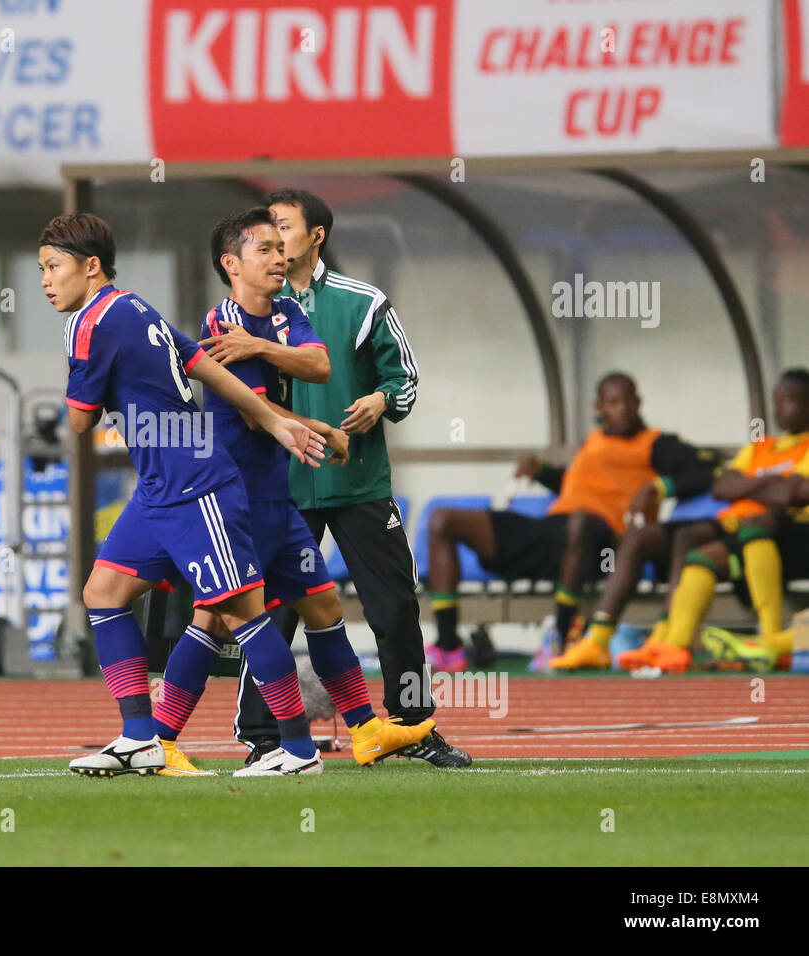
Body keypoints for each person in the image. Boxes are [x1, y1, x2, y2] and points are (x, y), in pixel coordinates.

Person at [39, 211, 345, 777]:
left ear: (90, 266)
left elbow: (80, 422)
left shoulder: (91, 323)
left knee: (242, 614)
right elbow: (204, 363)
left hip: (195, 484)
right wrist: (277, 422)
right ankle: (140, 737)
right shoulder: (135, 307)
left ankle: (300, 750)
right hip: (160, 485)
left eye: (53, 267)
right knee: (103, 592)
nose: (45, 280)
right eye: (42, 269)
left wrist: (89, 385)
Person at [151, 207, 435, 776]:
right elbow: (258, 418)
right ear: (232, 264)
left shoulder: (281, 314)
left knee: (324, 606)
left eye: (282, 245)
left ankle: (364, 729)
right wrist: (320, 428)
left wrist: (266, 351)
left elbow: (321, 366)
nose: (279, 255)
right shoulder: (224, 322)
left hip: (278, 497)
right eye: (265, 247)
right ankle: (173, 740)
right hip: (236, 499)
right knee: (221, 617)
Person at [220, 188, 469, 768]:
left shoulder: (364, 302)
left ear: (316, 237)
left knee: (394, 609)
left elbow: (404, 378)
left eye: (282, 226)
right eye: (266, 230)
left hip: (359, 485)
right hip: (280, 487)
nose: (273, 238)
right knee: (270, 613)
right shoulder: (246, 308)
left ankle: (413, 726)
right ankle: (263, 736)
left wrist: (381, 401)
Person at [429, 372, 713, 671]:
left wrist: (659, 488)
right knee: (443, 519)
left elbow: (707, 468)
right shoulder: (594, 441)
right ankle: (448, 646)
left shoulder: (657, 443)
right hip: (555, 531)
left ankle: (561, 636)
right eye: (614, 402)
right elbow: (572, 485)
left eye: (629, 400)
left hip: (605, 546)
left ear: (639, 402)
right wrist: (539, 471)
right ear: (598, 408)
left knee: (580, 523)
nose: (624, 409)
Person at [618, 369, 809, 673]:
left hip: (796, 534)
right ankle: (675, 647)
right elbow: (722, 488)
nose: (777, 409)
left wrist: (750, 486)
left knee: (757, 523)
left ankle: (769, 641)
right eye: (776, 400)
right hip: (752, 537)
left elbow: (796, 494)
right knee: (701, 558)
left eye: (788, 400)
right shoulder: (760, 446)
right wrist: (770, 483)